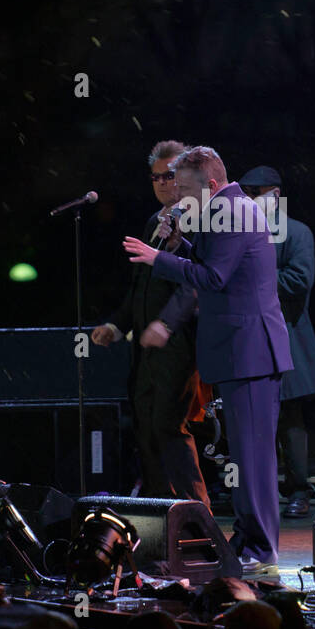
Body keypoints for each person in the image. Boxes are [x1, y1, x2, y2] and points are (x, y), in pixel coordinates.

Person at [123, 147, 293, 576]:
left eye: (183, 189)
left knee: (253, 460)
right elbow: (213, 262)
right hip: (241, 353)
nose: (177, 197)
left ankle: (262, 550)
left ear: (210, 186)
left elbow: (214, 278)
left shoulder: (235, 211)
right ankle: (250, 539)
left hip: (251, 352)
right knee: (248, 458)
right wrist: (181, 245)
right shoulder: (228, 210)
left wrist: (159, 257)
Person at [92, 140, 207, 506]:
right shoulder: (153, 222)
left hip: (178, 342)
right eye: (156, 176)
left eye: (169, 175)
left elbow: (197, 283)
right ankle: (162, 513)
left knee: (168, 425)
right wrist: (115, 325)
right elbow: (139, 286)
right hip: (146, 343)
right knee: (145, 426)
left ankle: (195, 514)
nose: (161, 182)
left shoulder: (199, 218)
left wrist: (167, 324)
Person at [241, 166, 315, 519]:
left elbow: (298, 279)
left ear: (274, 195)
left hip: (283, 332)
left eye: (253, 193)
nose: (246, 201)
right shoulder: (241, 231)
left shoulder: (296, 232)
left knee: (289, 416)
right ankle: (258, 487)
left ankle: (298, 489)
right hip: (248, 334)